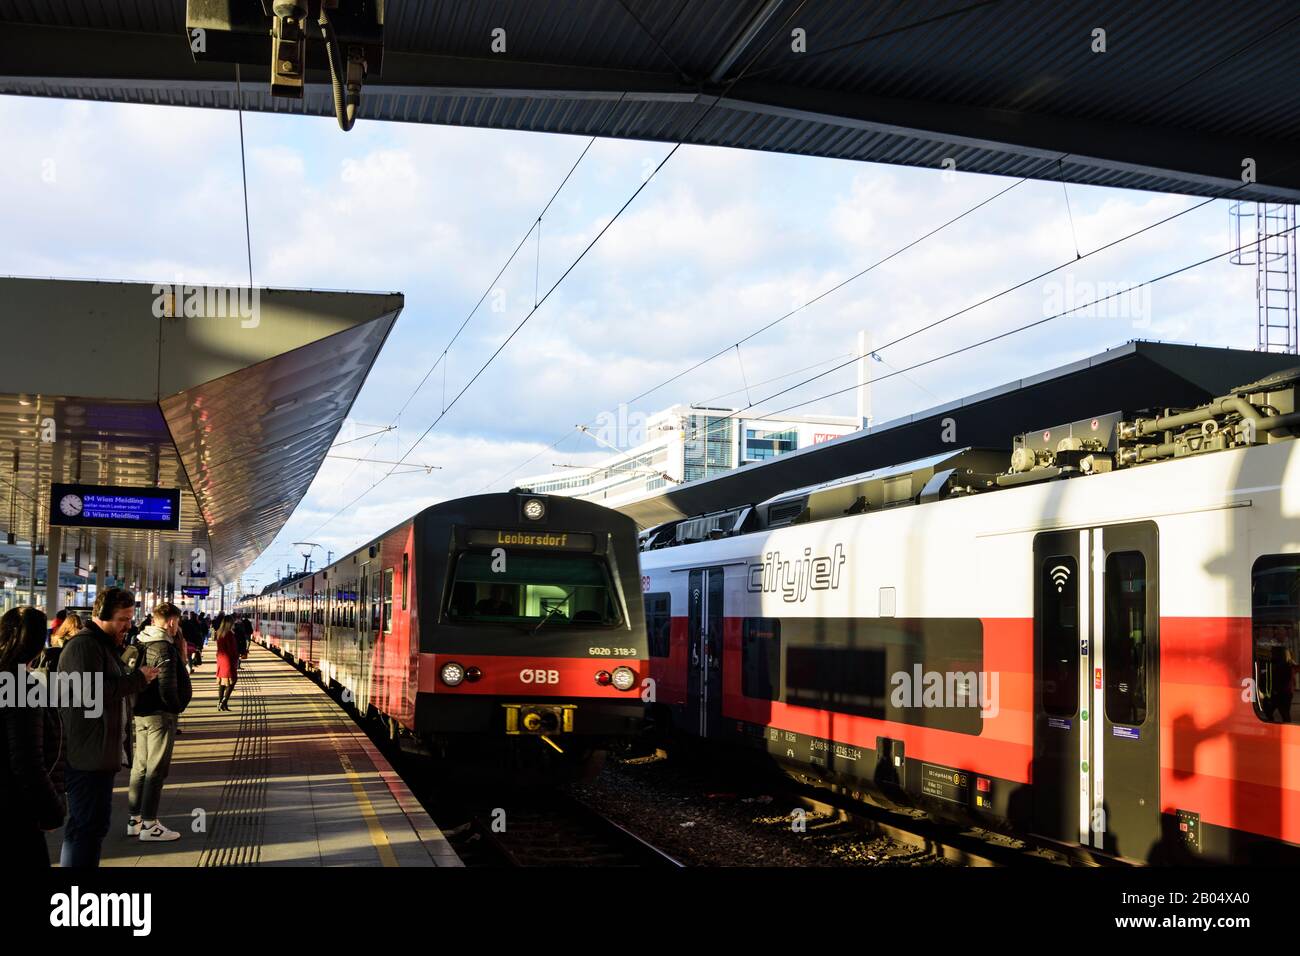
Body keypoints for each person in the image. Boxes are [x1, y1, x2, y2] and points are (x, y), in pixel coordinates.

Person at [56, 588, 159, 867]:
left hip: (98, 753)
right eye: (123, 619)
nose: (129, 625)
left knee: (92, 826)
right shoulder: (84, 646)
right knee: (85, 827)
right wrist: (138, 679)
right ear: (101, 616)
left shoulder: (102, 646)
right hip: (86, 754)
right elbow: (91, 691)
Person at [0, 607, 64, 866]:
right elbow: (27, 760)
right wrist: (50, 811)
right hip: (14, 812)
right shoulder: (20, 686)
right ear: (40, 644)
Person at [127, 603, 191, 842]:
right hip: (159, 715)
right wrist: (174, 709)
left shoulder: (141, 640)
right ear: (172, 622)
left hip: (142, 712)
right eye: (177, 623)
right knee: (156, 769)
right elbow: (167, 686)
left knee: (140, 767)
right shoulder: (164, 647)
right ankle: (150, 824)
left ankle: (135, 820)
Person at [215, 619, 241, 711]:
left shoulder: (219, 633)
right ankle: (224, 702)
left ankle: (220, 703)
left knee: (222, 683)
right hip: (228, 660)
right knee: (232, 680)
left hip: (221, 660)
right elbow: (232, 648)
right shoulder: (229, 634)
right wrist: (237, 656)